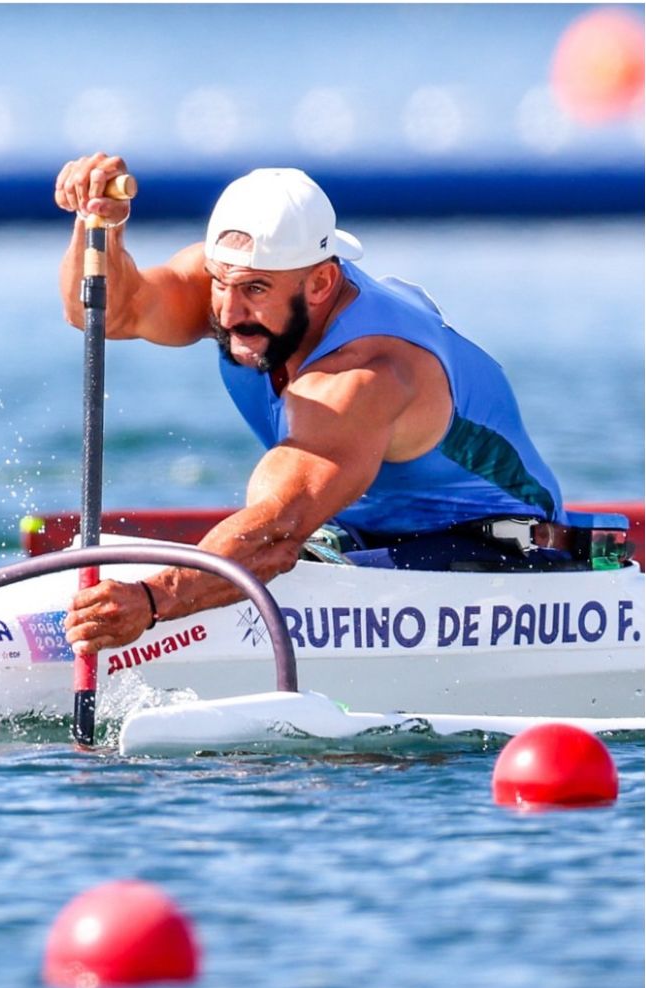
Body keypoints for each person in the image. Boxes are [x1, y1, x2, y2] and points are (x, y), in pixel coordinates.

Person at [56, 153, 566, 657]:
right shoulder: (236, 283)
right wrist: (98, 225)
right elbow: (107, 313)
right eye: (219, 282)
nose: (230, 313)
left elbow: (275, 534)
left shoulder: (365, 375)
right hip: (365, 533)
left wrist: (150, 602)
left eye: (256, 289)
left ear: (321, 282)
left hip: (503, 557)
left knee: (270, 547)